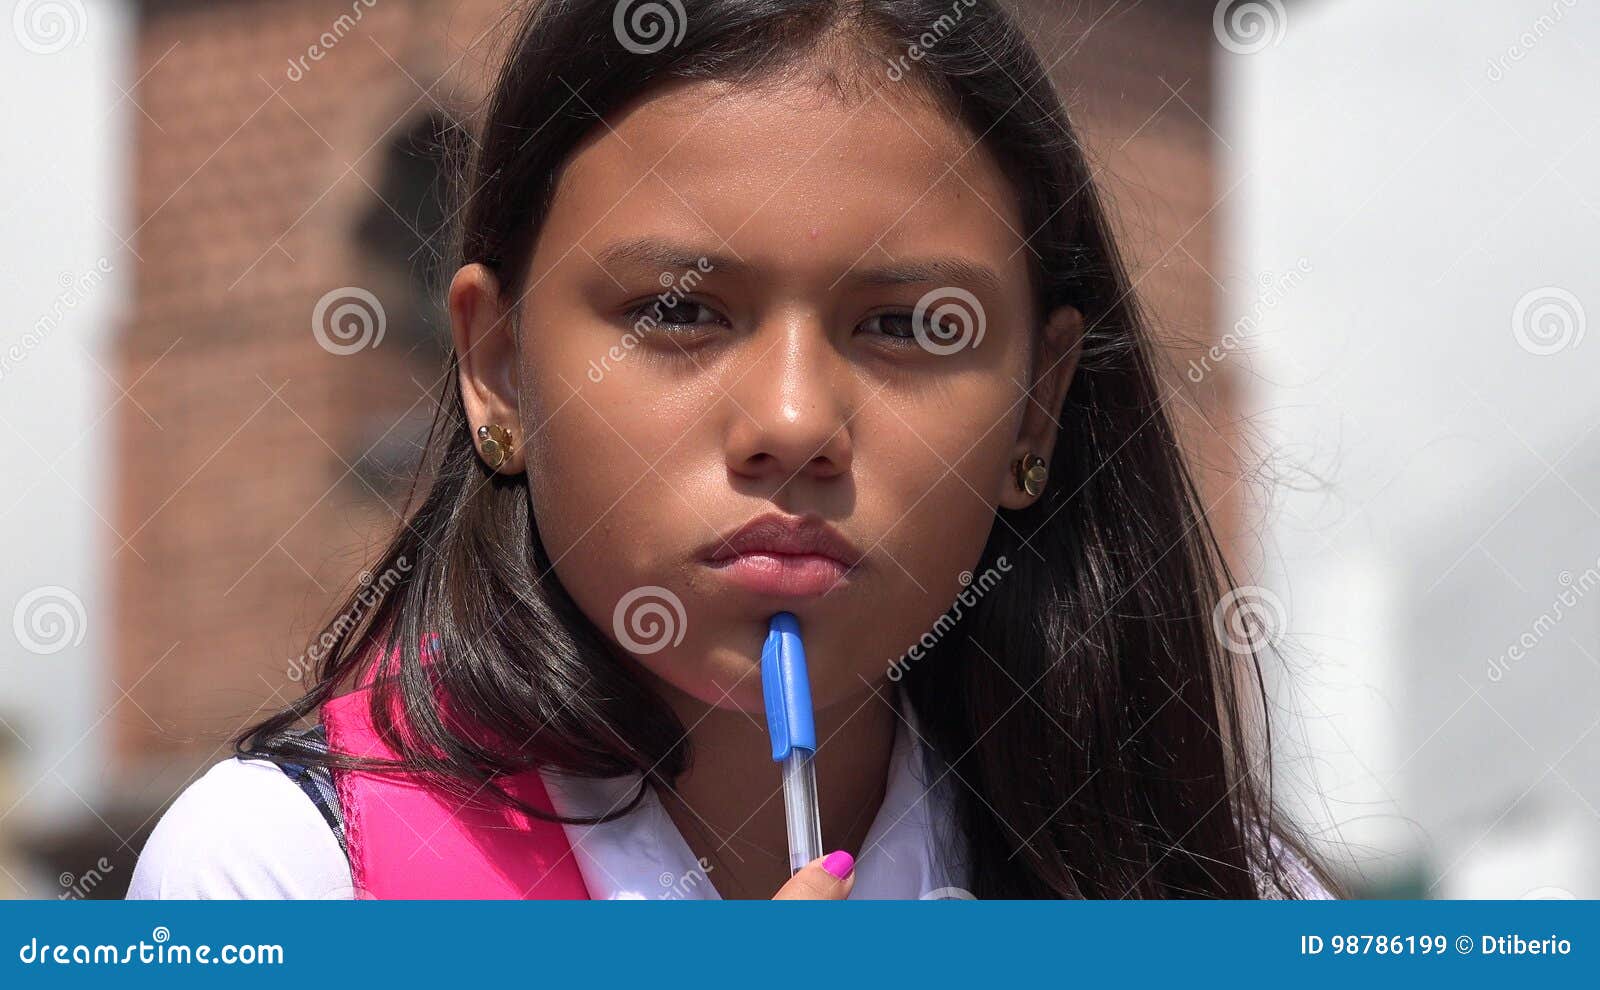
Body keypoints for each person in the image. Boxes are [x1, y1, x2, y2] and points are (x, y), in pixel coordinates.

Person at [129, 0, 1337, 901]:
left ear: (1037, 405)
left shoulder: (1228, 896)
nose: (795, 424)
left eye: (910, 326)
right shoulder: (285, 874)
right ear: (496, 367)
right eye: (677, 311)